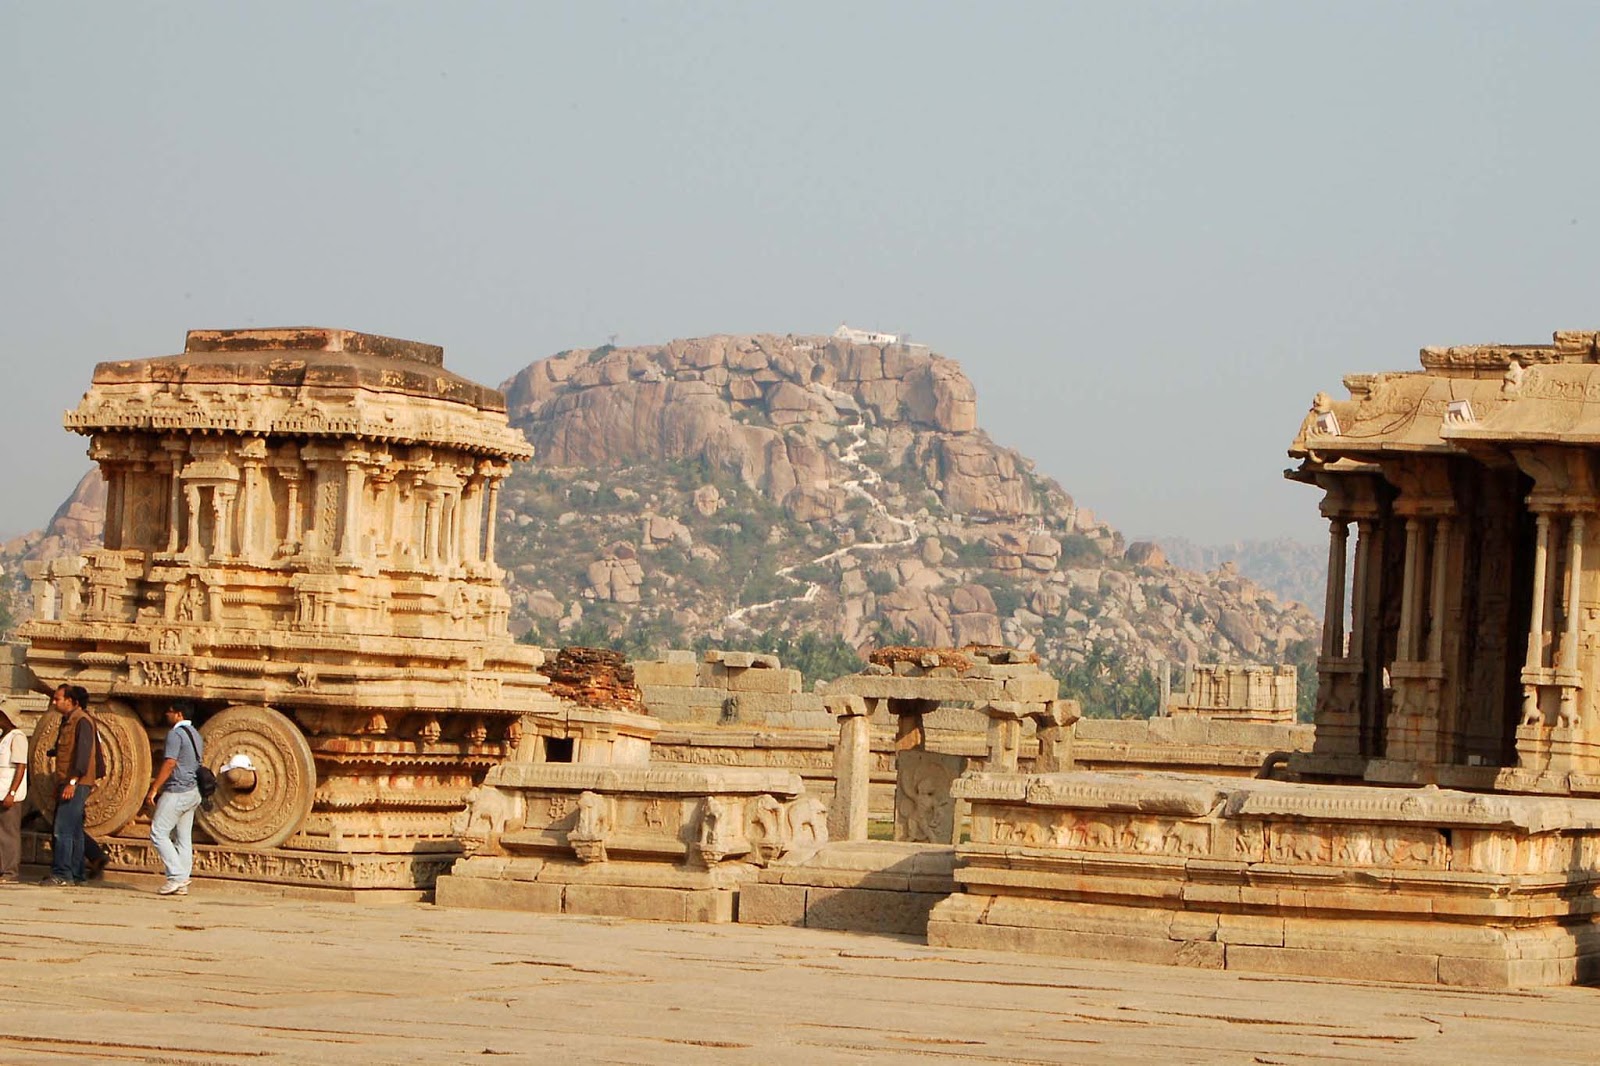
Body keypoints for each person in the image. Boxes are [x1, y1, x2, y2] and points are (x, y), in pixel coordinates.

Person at [45, 684, 104, 886]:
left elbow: (83, 755)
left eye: (58, 698)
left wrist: (72, 782)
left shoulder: (82, 721)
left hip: (77, 782)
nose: (55, 702)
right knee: (76, 830)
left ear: (72, 701)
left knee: (63, 829)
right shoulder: (68, 720)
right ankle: (77, 874)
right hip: (69, 781)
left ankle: (62, 874)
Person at [145, 701, 203, 896]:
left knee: (158, 832)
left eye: (168, 712)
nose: (166, 715)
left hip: (177, 791)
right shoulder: (195, 733)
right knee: (183, 837)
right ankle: (182, 881)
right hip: (193, 791)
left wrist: (154, 788)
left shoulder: (175, 734)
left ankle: (176, 876)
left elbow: (170, 763)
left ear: (178, 714)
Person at [0, 706, 27, 884]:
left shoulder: (18, 737)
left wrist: (12, 792)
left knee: (9, 833)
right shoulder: (4, 737)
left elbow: (21, 766)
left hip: (9, 793)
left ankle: (10, 872)